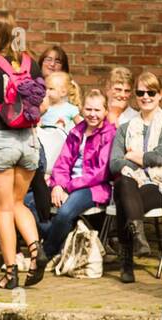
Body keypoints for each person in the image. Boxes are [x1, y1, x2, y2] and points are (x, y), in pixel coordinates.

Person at [0, 10, 46, 290]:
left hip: (1, 139)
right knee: (17, 203)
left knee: (3, 208)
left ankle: (10, 273)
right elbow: (43, 105)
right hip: (29, 140)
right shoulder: (30, 62)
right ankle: (35, 248)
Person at [109, 71, 162, 283]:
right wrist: (142, 159)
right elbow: (114, 163)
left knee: (124, 196)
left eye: (151, 92)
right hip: (131, 181)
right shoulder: (125, 128)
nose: (145, 97)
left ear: (160, 95)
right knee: (124, 182)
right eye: (140, 92)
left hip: (159, 184)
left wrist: (131, 156)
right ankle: (138, 235)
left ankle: (127, 262)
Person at [43, 88, 113, 260]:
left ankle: (45, 253)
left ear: (105, 111)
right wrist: (58, 185)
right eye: (88, 109)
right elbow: (63, 162)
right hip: (67, 184)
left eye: (97, 110)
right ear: (82, 109)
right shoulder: (77, 131)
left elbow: (101, 172)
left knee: (65, 213)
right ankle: (59, 245)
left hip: (93, 188)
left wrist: (68, 187)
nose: (92, 114)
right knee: (30, 203)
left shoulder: (109, 134)